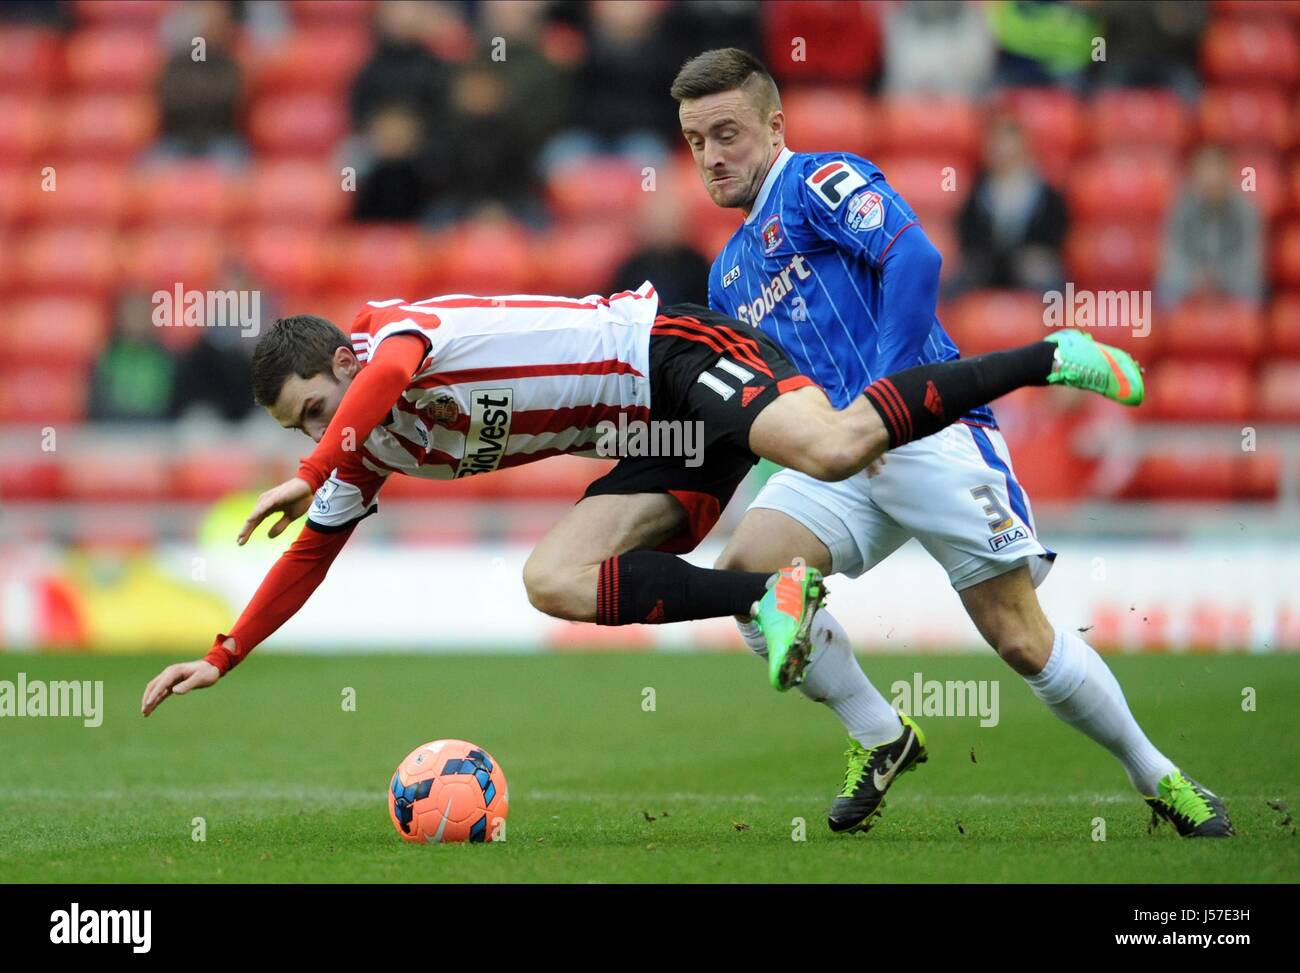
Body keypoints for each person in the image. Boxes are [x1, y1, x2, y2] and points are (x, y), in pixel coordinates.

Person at [671, 47, 1231, 838]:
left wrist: (887, 400)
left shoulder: (820, 182)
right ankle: (884, 737)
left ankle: (1161, 776)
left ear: (774, 125)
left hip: (925, 428)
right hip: (835, 453)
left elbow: (916, 256)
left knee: (1018, 636)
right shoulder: (729, 273)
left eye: (726, 132)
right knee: (749, 580)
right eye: (696, 141)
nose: (711, 156)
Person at [140, 282, 1138, 722]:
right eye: (299, 430)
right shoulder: (370, 446)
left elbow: (385, 371)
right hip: (649, 441)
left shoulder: (396, 335)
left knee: (831, 449)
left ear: (341, 365)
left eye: (315, 409)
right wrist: (224, 653)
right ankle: (762, 596)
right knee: (552, 579)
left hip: (666, 351)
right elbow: (313, 552)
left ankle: (1051, 354)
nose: (318, 434)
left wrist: (313, 467)